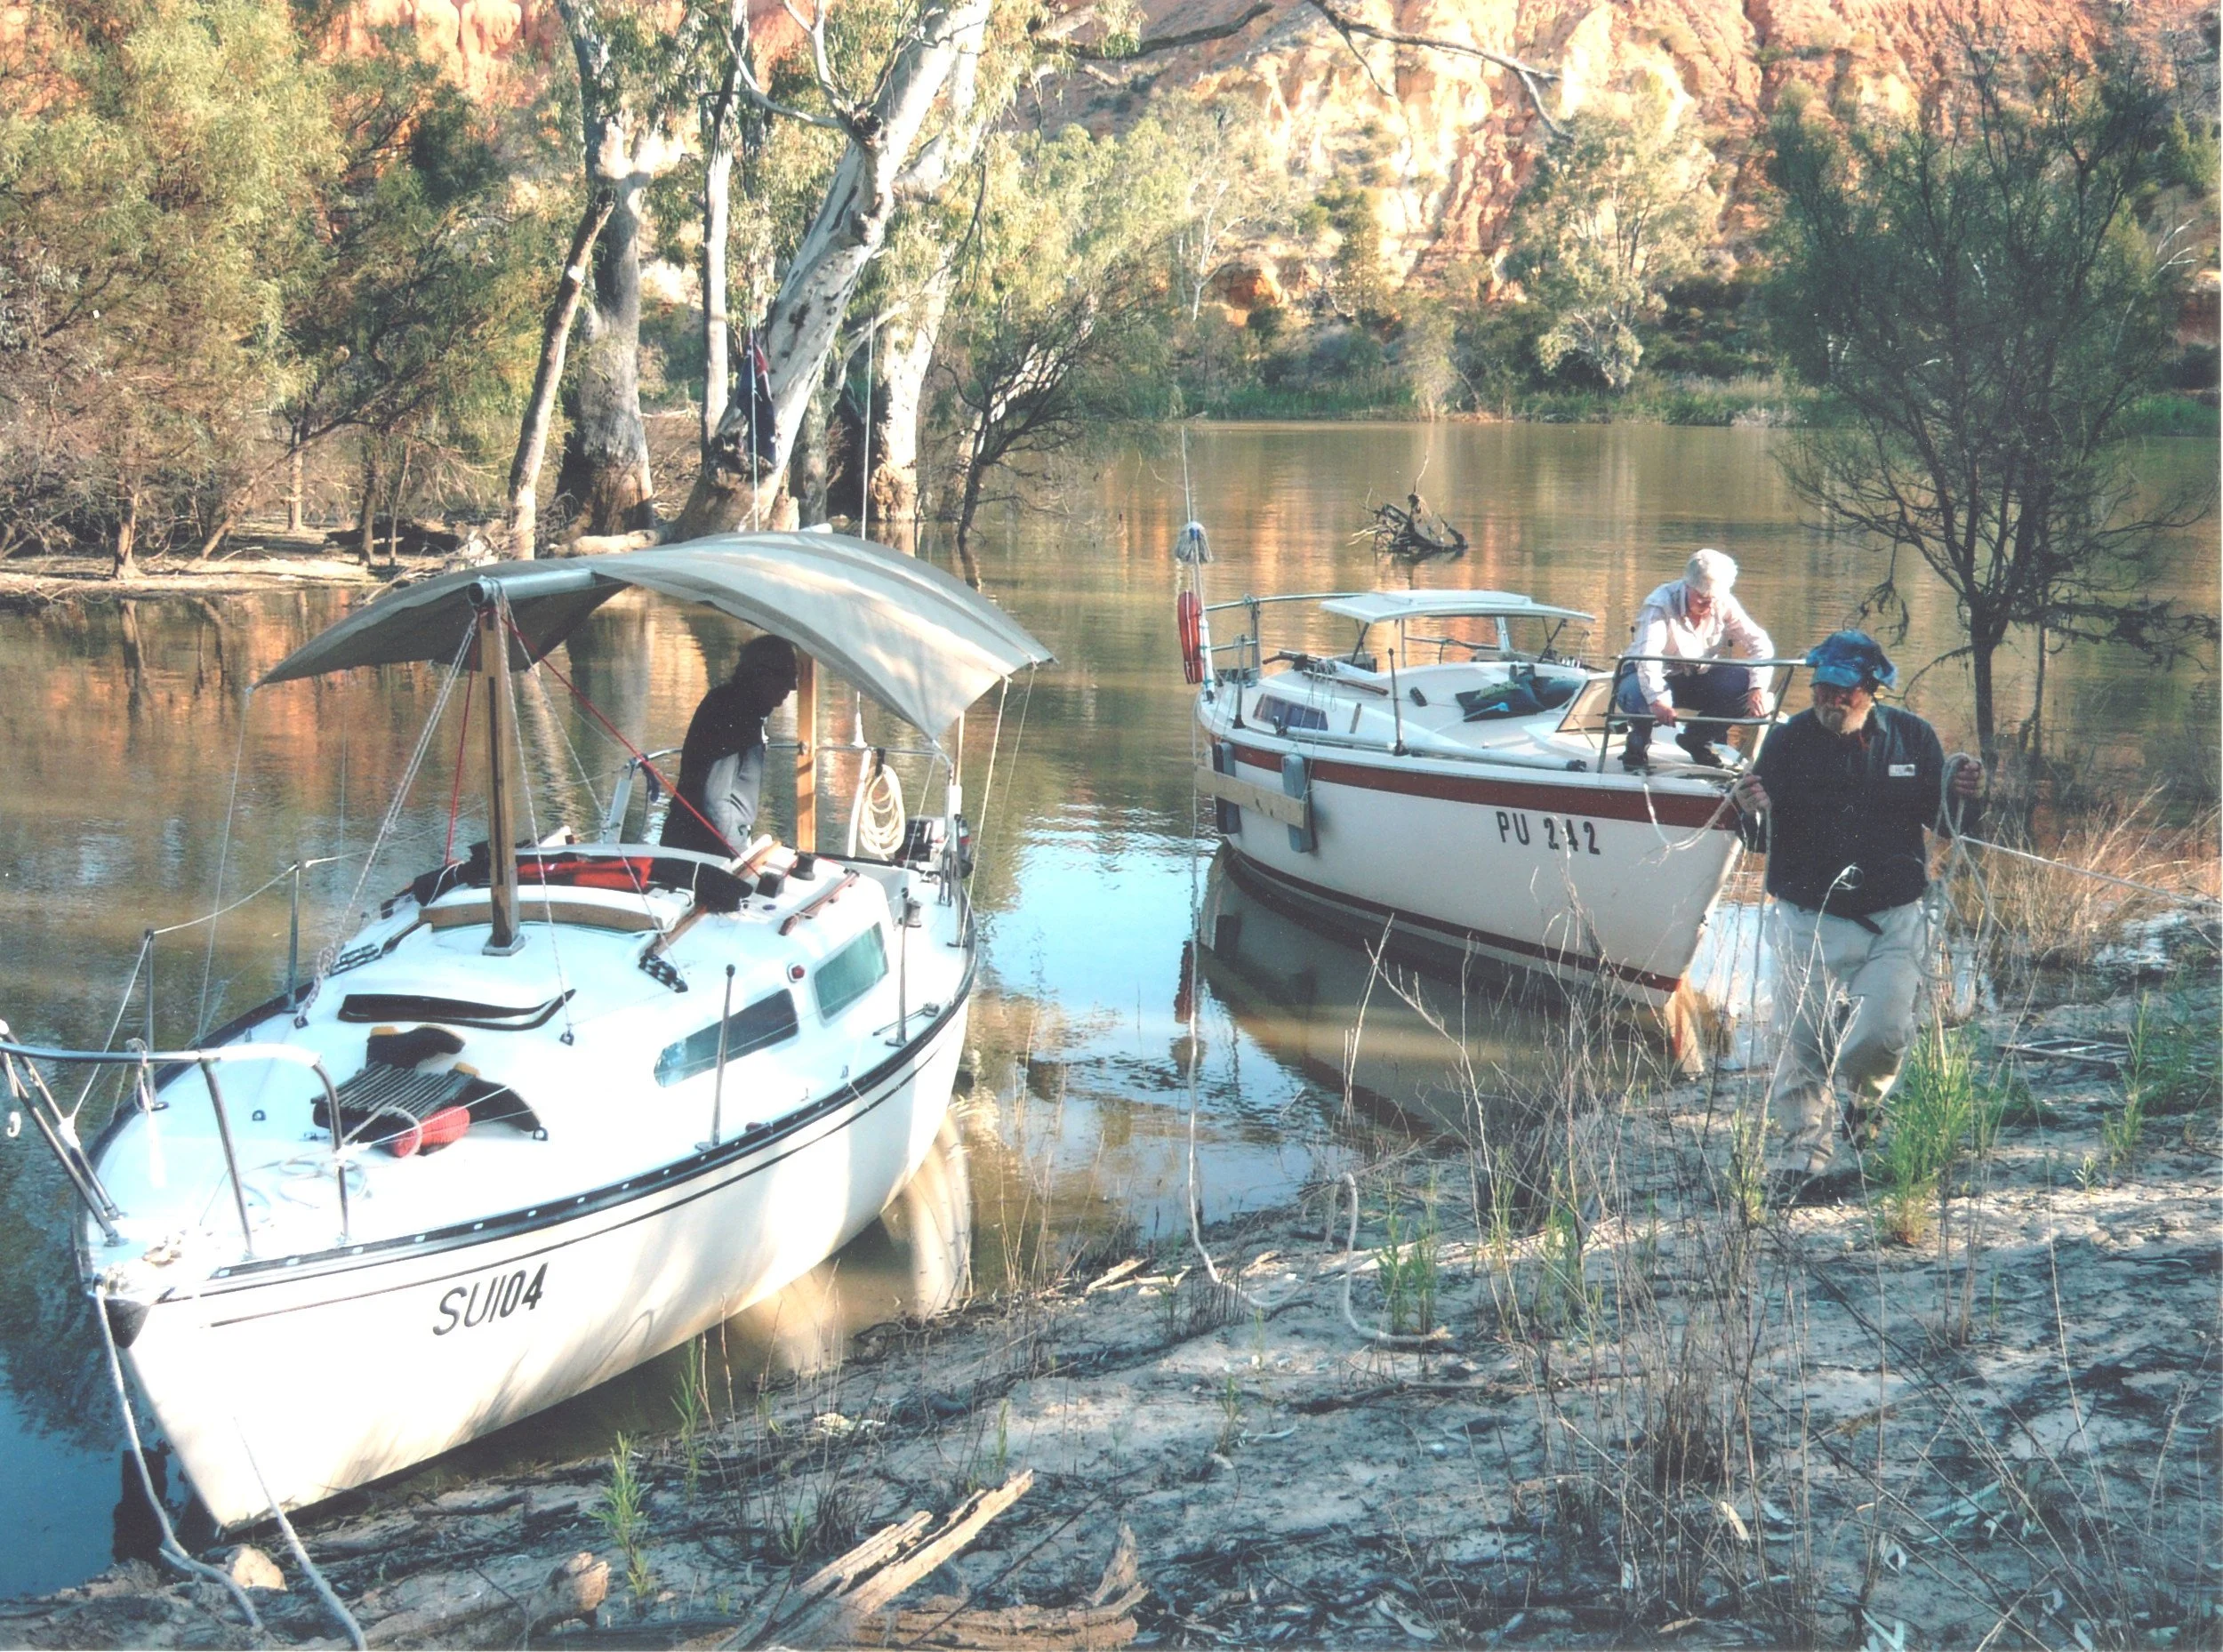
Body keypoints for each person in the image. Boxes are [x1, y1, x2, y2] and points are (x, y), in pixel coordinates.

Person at [1729, 630, 1984, 1204]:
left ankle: (1864, 1106)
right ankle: (1804, 1157)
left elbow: (1947, 824)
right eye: (1822, 685)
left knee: (1884, 1032)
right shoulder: (1788, 742)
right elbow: (1754, 839)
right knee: (1801, 1042)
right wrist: (1749, 810)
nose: (1830, 698)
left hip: (1894, 917)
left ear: (1871, 689)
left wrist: (1964, 792)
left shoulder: (1913, 738)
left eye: (1843, 688)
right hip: (1807, 917)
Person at [658, 635, 799, 908]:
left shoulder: (726, 702)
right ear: (760, 674)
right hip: (705, 854)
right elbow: (715, 800)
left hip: (690, 843)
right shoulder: (734, 715)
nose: (792, 686)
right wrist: (738, 855)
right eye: (785, 676)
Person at [1615, 549, 1775, 771]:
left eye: (1713, 600)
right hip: (1645, 676)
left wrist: (1757, 687)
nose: (1707, 606)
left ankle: (1697, 739)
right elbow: (1647, 659)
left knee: (1745, 682)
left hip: (1696, 676)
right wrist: (1657, 700)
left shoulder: (1724, 603)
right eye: (1701, 599)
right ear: (1687, 586)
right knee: (1641, 694)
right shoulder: (1660, 603)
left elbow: (1760, 644)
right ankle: (1636, 748)